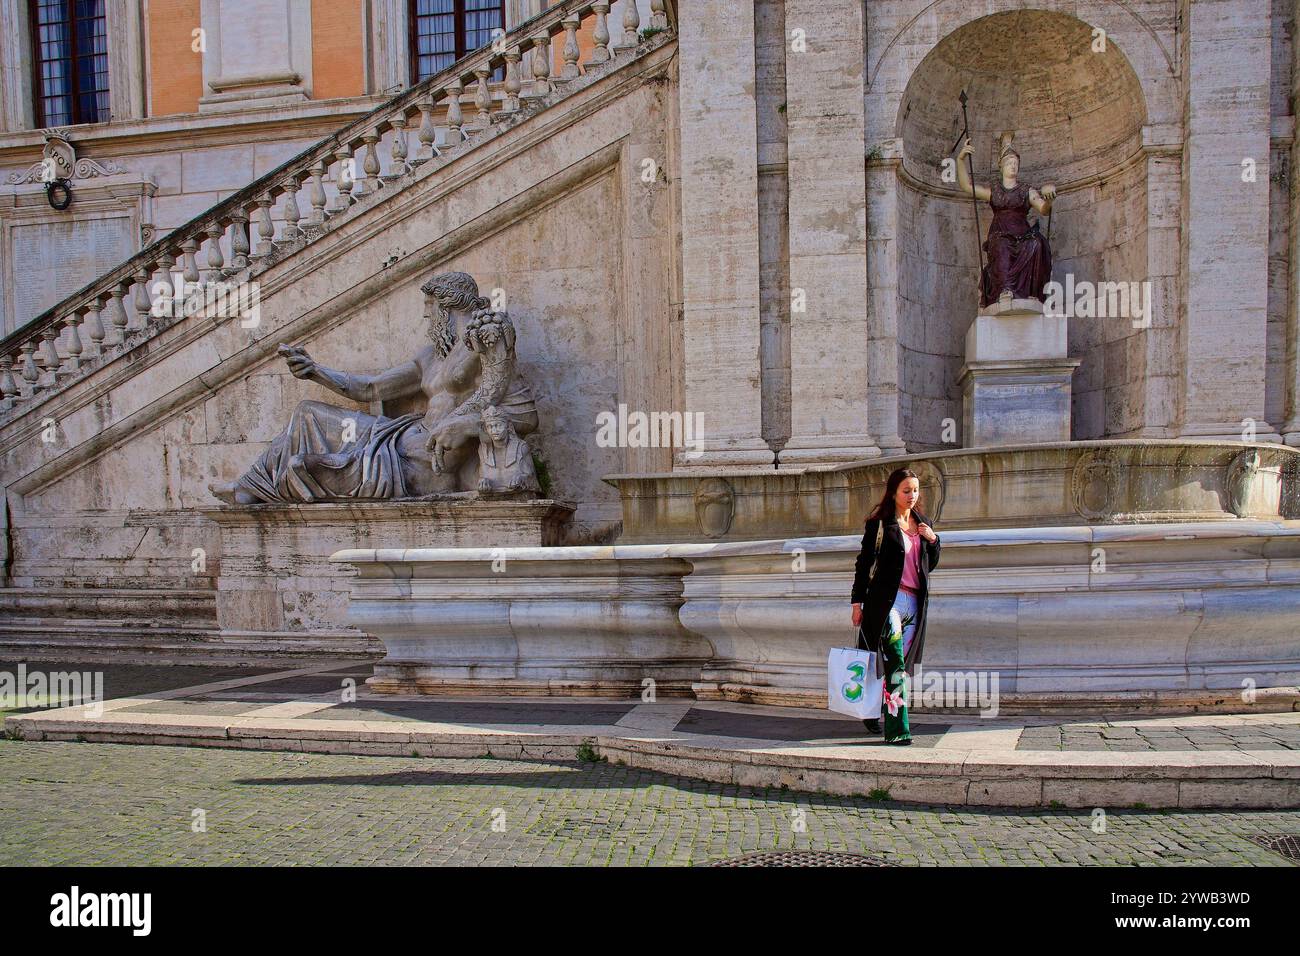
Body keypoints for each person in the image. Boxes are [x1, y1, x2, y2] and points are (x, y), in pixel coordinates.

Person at [849, 468, 941, 745]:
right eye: (906, 490)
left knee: (896, 663)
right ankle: (898, 729)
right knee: (895, 663)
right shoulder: (879, 523)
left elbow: (929, 566)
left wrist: (934, 541)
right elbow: (863, 564)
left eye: (915, 490)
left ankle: (873, 710)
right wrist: (857, 602)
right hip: (888, 602)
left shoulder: (923, 523)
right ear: (893, 493)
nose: (912, 496)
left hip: (914, 603)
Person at [956, 133, 1056, 308]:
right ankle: (1005, 290)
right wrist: (960, 159)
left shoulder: (1026, 190)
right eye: (1009, 163)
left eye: (1016, 163)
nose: (1013, 166)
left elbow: (1043, 209)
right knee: (1000, 245)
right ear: (1001, 166)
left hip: (1022, 234)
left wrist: (1049, 199)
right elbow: (967, 187)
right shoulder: (994, 190)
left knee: (1037, 244)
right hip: (1001, 233)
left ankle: (1032, 294)